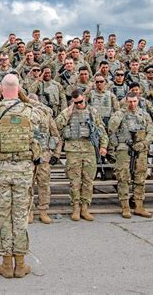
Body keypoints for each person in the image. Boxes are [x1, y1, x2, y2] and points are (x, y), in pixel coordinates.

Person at [0, 74, 42, 279]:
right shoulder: (31, 111)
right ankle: (20, 265)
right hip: (23, 170)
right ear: (19, 89)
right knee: (21, 217)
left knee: (3, 217)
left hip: (0, 171)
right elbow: (42, 138)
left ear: (1, 89)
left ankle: (6, 264)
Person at [55, 89, 108, 221]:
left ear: (84, 98)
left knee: (88, 181)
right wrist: (68, 111)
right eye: (76, 103)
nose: (79, 105)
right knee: (75, 181)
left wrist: (103, 146)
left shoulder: (92, 112)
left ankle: (85, 208)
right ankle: (76, 208)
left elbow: (101, 129)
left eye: (80, 101)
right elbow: (56, 126)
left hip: (89, 149)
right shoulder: (67, 112)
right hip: (73, 150)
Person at [108, 92, 153, 218]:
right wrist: (117, 144)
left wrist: (144, 143)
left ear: (138, 101)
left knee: (140, 178)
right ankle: (125, 207)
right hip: (124, 149)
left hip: (140, 150)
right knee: (123, 178)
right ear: (126, 101)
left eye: (134, 101)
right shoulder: (120, 113)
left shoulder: (144, 114)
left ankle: (139, 206)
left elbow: (151, 131)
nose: (132, 104)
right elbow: (111, 128)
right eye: (130, 101)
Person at [27, 93, 62, 224]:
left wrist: (56, 154)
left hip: (44, 156)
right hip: (29, 156)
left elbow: (57, 136)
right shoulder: (25, 116)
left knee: (44, 185)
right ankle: (29, 211)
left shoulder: (47, 116)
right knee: (27, 186)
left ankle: (43, 211)